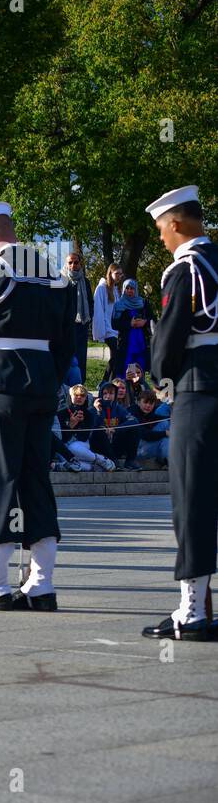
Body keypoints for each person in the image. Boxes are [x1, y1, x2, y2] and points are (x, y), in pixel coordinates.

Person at [0, 201, 76, 612]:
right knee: (36, 480)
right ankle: (41, 584)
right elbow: (67, 342)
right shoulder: (52, 272)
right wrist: (49, 376)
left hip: (1, 384)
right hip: (42, 385)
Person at [140, 185, 218, 639]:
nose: (162, 241)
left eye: (161, 231)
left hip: (198, 389)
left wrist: (160, 378)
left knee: (191, 501)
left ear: (176, 223)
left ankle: (191, 612)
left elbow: (167, 342)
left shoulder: (185, 268)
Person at [58, 384, 116, 471]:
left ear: (86, 398)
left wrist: (80, 423)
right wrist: (71, 425)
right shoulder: (61, 413)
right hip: (64, 445)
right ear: (71, 396)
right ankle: (95, 464)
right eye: (76, 395)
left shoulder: (88, 414)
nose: (79, 398)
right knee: (73, 463)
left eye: (82, 396)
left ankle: (99, 459)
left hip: (81, 444)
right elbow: (62, 438)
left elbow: (84, 437)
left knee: (73, 448)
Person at [111, 278, 154, 381]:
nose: (130, 291)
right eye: (127, 288)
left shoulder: (143, 303)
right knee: (128, 372)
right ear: (124, 289)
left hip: (141, 343)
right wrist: (129, 323)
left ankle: (139, 392)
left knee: (140, 370)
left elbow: (153, 319)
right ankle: (128, 392)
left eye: (132, 288)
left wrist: (145, 322)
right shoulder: (119, 305)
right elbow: (114, 324)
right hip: (127, 345)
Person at [63, 250, 94, 384]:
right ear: (66, 264)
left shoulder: (85, 281)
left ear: (80, 264)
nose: (73, 265)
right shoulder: (61, 280)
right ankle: (65, 386)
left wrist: (88, 317)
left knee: (81, 356)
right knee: (66, 355)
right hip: (65, 326)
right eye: (70, 262)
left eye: (76, 262)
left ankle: (81, 386)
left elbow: (90, 301)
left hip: (81, 326)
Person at [134, 387, 170, 466]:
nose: (148, 406)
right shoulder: (133, 412)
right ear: (139, 402)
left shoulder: (151, 414)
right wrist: (165, 433)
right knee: (165, 429)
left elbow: (164, 419)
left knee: (166, 427)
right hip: (137, 451)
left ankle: (167, 461)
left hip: (147, 447)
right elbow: (144, 434)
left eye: (151, 403)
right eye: (145, 402)